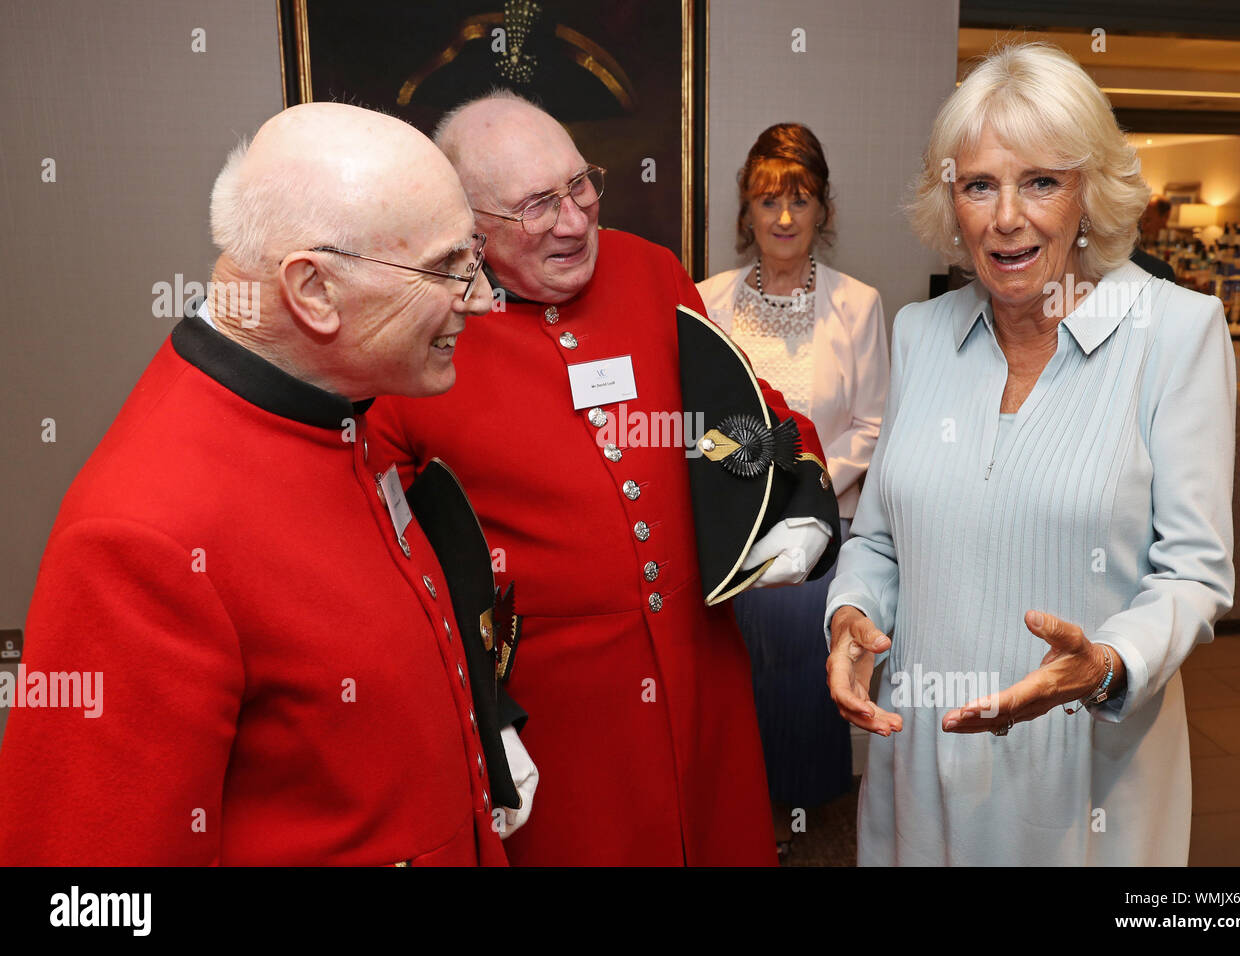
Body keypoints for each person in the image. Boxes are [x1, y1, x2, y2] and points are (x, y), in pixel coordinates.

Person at [0, 103, 537, 865]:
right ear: (313, 291)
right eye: (447, 268)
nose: (481, 297)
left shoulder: (335, 395)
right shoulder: (139, 536)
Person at [365, 90, 840, 866]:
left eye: (580, 184)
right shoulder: (416, 336)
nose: (576, 220)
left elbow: (742, 412)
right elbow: (386, 569)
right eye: (537, 204)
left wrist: (795, 500)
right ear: (468, 223)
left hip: (702, 683)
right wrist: (483, 717)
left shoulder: (651, 272)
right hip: (560, 724)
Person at [824, 41, 1235, 866]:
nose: (1006, 216)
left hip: (1084, 774)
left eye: (1042, 181)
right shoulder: (923, 334)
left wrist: (1108, 663)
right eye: (979, 184)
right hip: (922, 762)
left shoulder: (1176, 334)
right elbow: (878, 539)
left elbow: (1194, 570)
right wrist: (851, 615)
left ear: (1091, 194)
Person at [696, 123, 888, 854]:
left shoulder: (859, 305)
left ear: (823, 210)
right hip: (731, 537)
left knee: (806, 677)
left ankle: (811, 830)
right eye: (767, 201)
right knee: (731, 682)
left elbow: (871, 426)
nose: (783, 219)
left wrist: (799, 487)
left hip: (821, 538)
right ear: (744, 212)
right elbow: (697, 419)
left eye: (799, 200)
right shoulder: (706, 300)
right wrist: (743, 487)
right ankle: (743, 829)